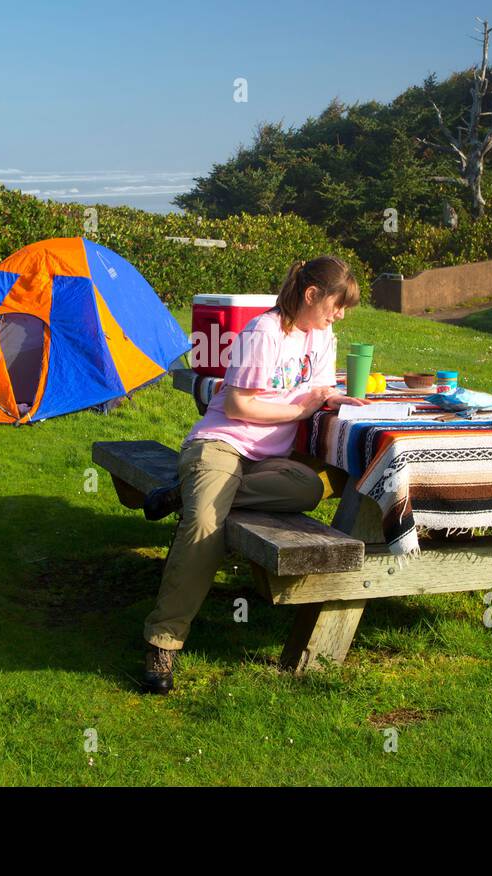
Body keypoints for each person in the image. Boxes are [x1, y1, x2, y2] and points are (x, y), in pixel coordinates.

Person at [138, 256, 369, 693]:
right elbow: (238, 406)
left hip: (267, 461)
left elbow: (318, 390)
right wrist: (300, 409)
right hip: (222, 443)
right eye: (337, 305)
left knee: (305, 489)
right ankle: (162, 641)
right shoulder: (263, 333)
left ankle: (187, 492)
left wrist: (333, 400)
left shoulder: (323, 336)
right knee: (205, 523)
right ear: (311, 295)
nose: (340, 315)